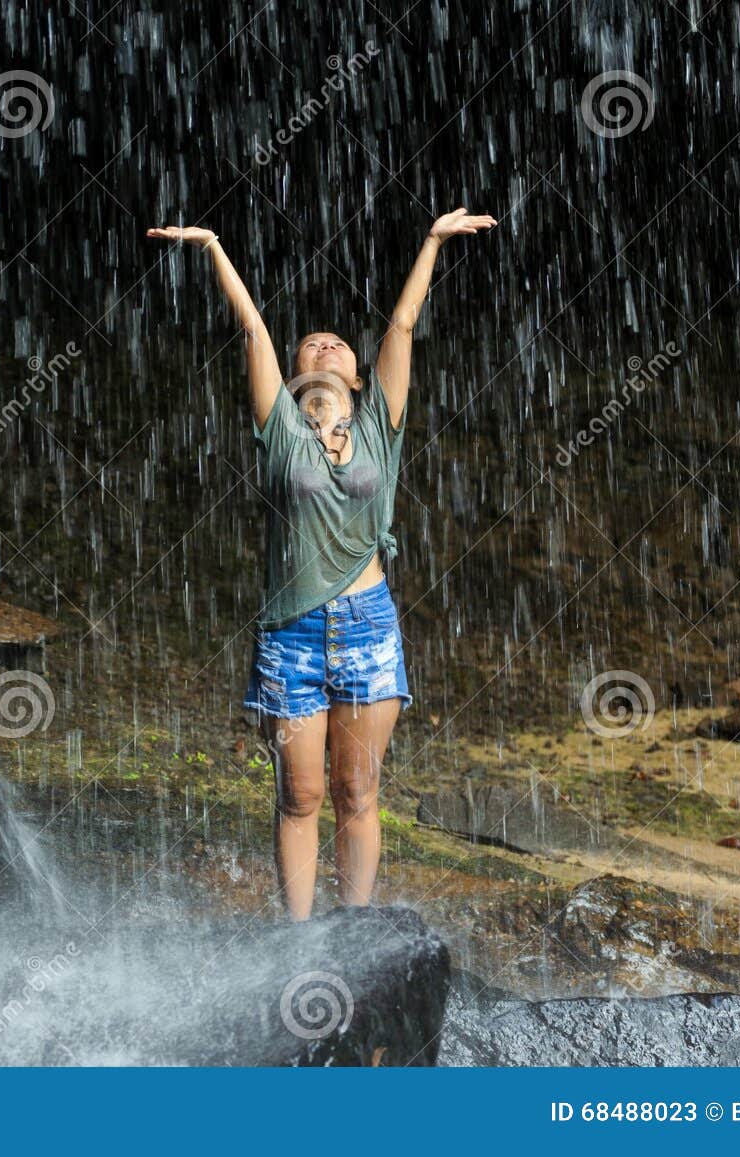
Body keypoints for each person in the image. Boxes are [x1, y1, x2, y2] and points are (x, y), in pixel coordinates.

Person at [147, 209, 498, 920]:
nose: (327, 344)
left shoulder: (379, 428)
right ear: (296, 373)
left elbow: (401, 327)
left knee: (358, 794)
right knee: (301, 795)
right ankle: (299, 941)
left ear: (360, 378)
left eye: (339, 344)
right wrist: (215, 245)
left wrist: (430, 242)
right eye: (312, 343)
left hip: (368, 627)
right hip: (291, 635)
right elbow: (252, 330)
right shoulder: (278, 433)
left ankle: (357, 932)